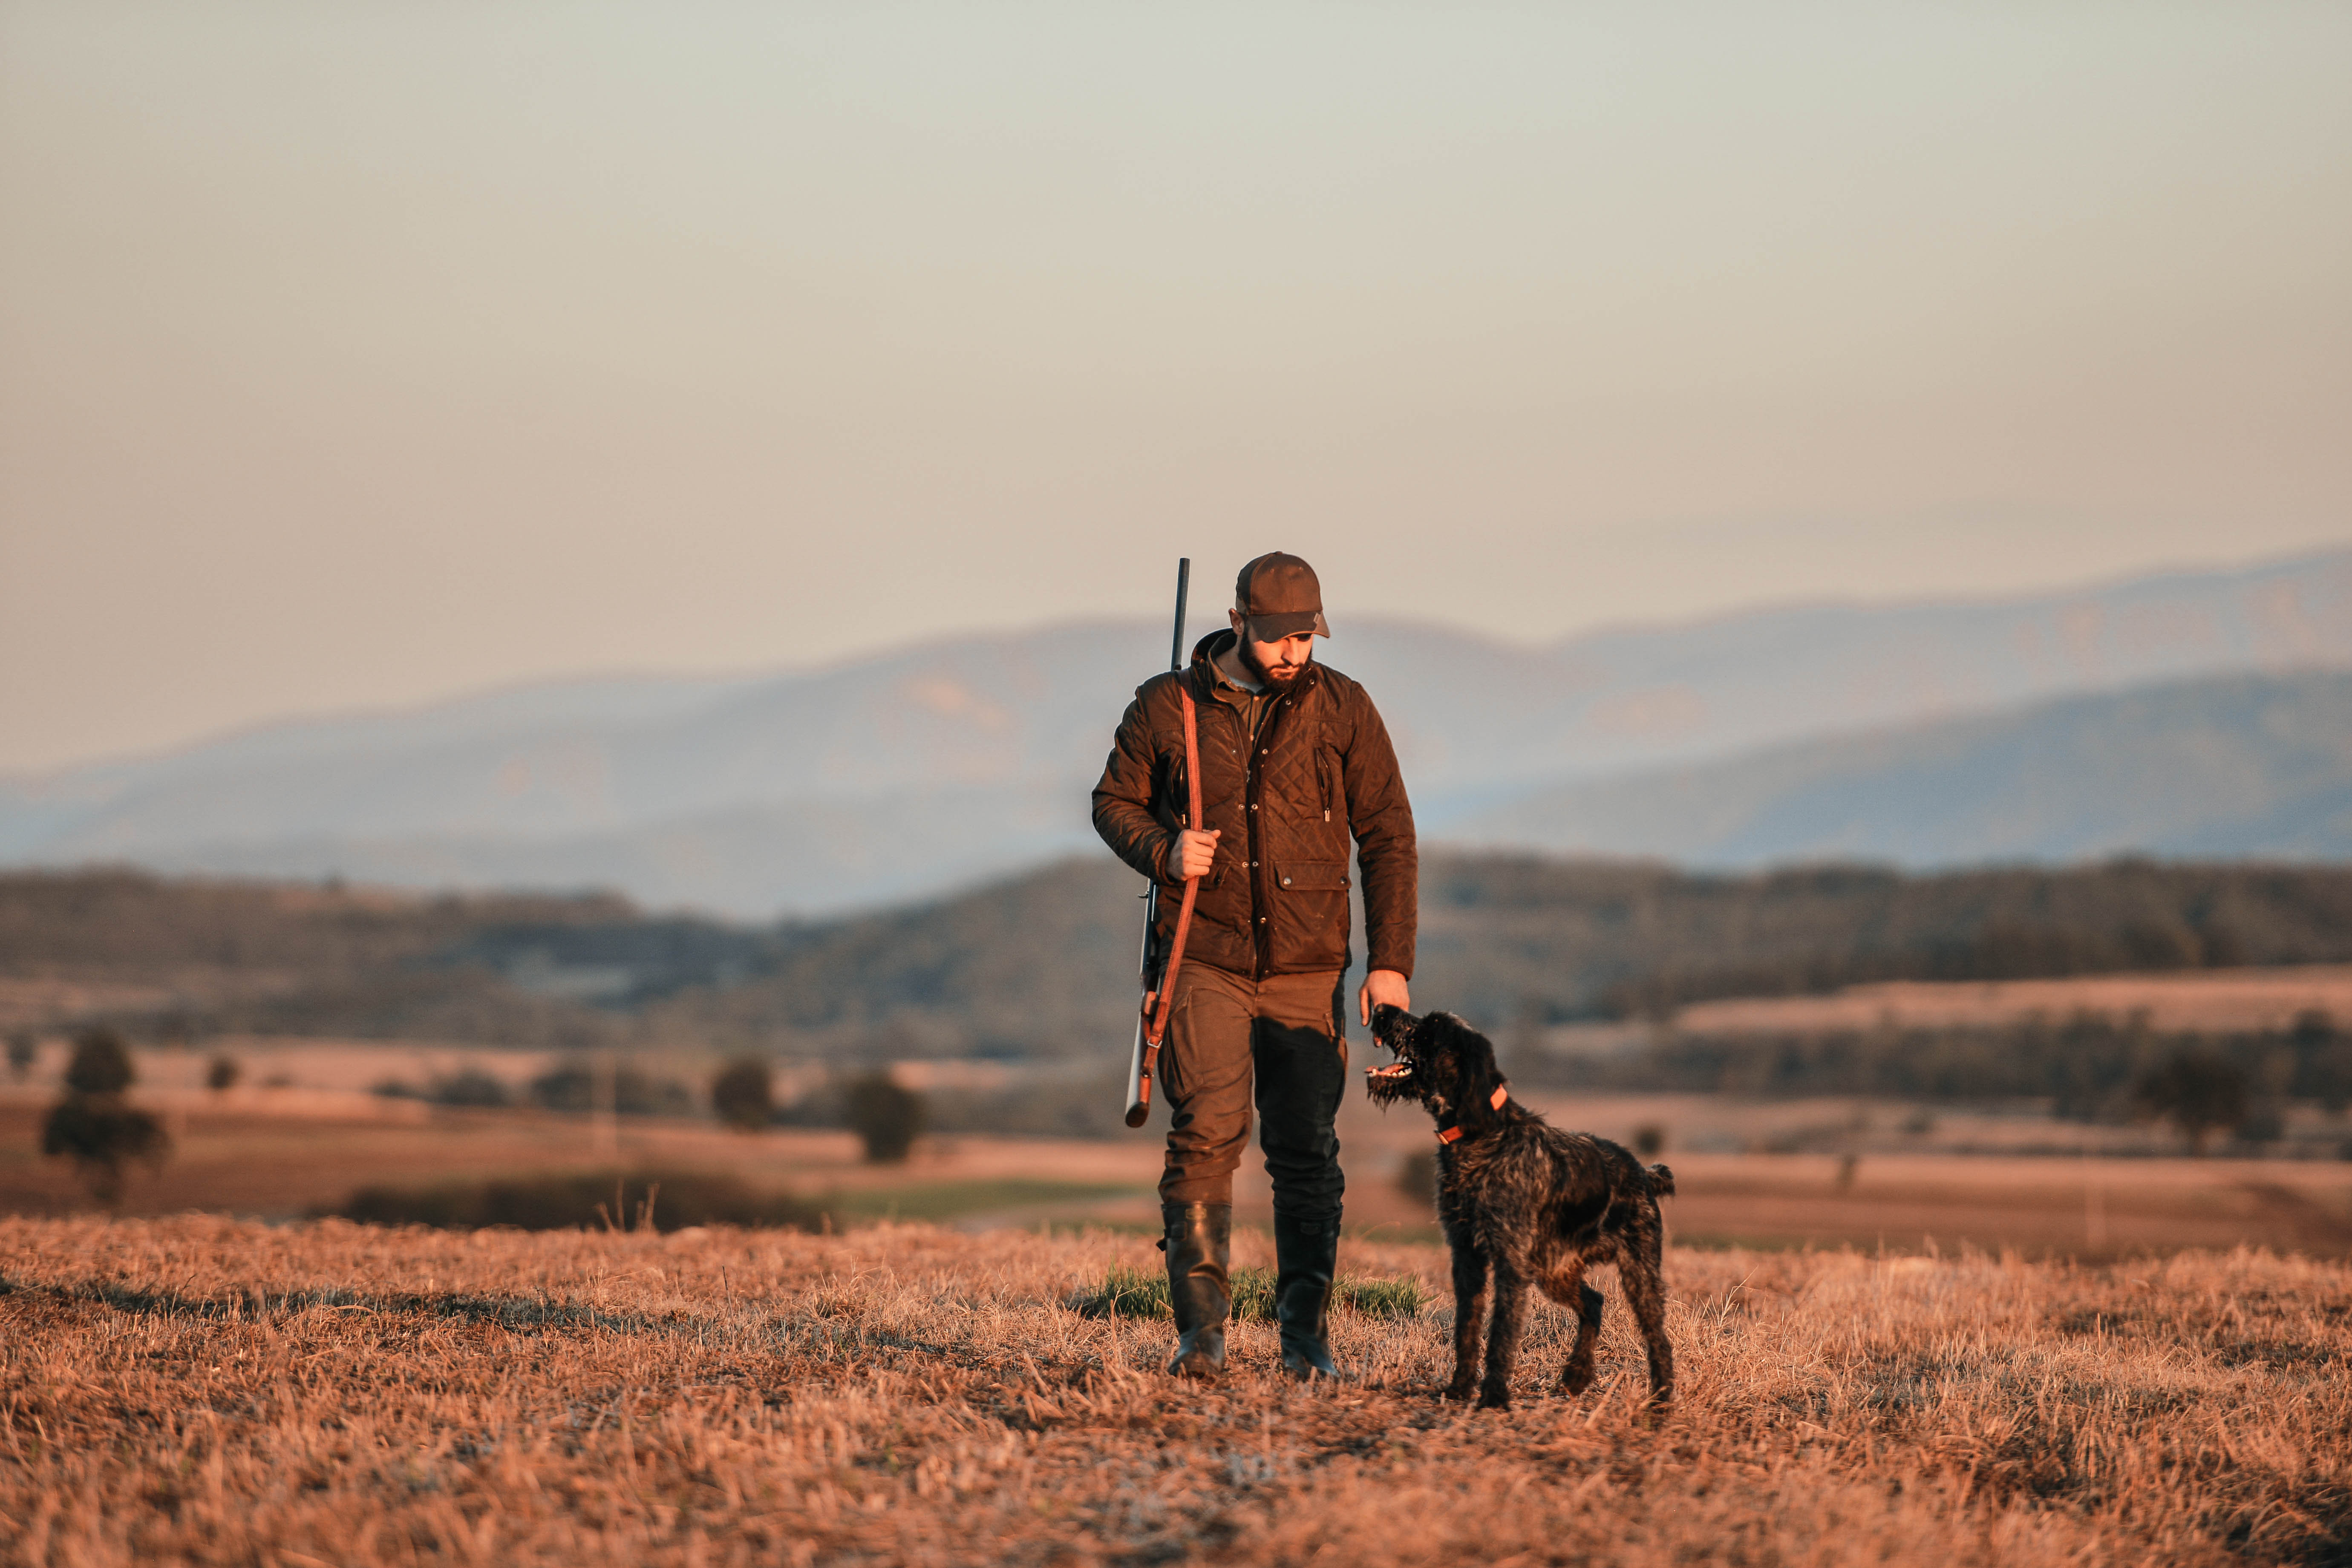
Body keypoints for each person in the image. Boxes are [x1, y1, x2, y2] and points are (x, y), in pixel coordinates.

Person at [1092, 551, 1417, 1380]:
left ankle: (1307, 1341)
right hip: (1203, 955)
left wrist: (1392, 964)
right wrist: (1164, 849)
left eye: (1305, 637)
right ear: (1238, 623)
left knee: (1307, 1148)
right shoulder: (1168, 707)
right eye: (1276, 638)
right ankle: (1200, 1337)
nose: (1292, 654)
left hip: (1312, 965)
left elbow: (1387, 835)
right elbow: (1112, 803)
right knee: (1204, 1135)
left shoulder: (1344, 707)